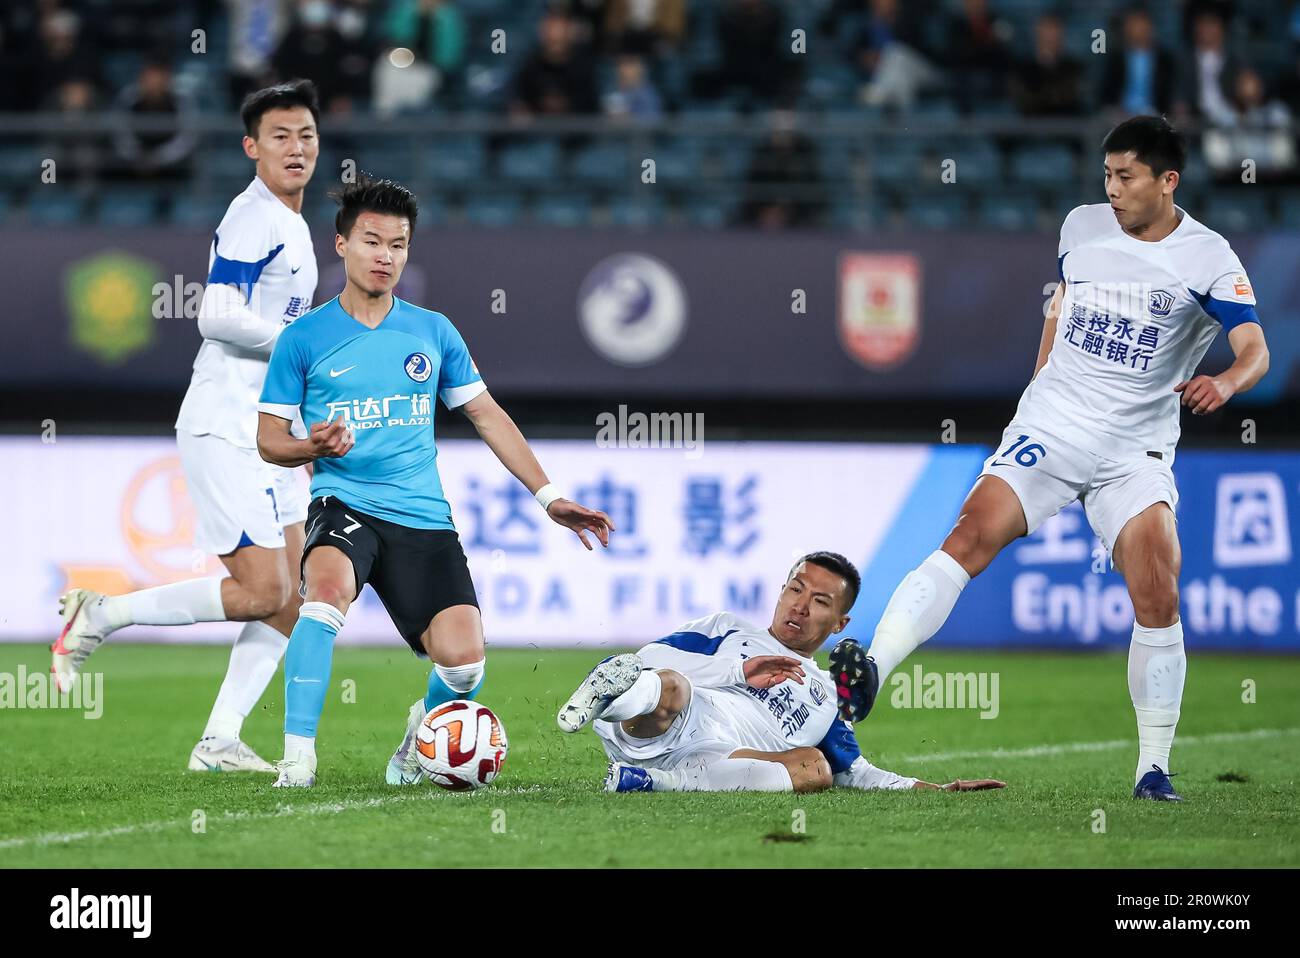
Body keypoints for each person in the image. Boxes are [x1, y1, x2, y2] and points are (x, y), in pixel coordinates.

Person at [836, 116, 1270, 802]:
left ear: (1168, 181)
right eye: (1107, 175)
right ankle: (869, 673)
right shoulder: (1081, 226)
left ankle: (1152, 769)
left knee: (1157, 583)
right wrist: (1039, 387)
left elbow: (1255, 350)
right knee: (970, 534)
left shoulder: (1209, 258)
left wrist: (1225, 382)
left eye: (1127, 177)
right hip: (1055, 423)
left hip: (1134, 448)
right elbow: (1061, 303)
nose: (1113, 189)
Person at [256, 175, 615, 788]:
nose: (385, 256)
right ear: (340, 245)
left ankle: (417, 738)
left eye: (398, 244)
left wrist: (549, 498)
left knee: (465, 664)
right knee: (324, 591)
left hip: (422, 514)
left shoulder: (433, 331)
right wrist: (309, 445)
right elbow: (268, 441)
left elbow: (486, 414)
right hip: (343, 501)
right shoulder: (302, 339)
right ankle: (298, 758)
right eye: (372, 241)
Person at [53, 80, 324, 774]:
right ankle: (101, 614)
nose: (296, 149)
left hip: (270, 431)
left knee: (294, 599)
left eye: (307, 136)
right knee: (264, 591)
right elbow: (215, 315)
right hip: (224, 423)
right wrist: (302, 347)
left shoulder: (293, 224)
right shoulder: (253, 215)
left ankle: (220, 741)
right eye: (280, 137)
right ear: (251, 148)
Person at [559, 552, 1004, 795]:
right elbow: (647, 656)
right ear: (782, 590)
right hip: (661, 722)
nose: (800, 605)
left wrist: (936, 789)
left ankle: (654, 784)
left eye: (821, 601)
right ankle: (601, 699)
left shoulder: (830, 696)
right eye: (795, 588)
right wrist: (740, 669)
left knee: (817, 769)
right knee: (668, 683)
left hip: (721, 761)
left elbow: (858, 772)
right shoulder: (729, 629)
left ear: (840, 624)